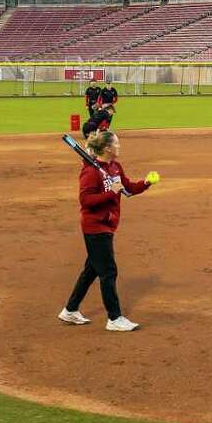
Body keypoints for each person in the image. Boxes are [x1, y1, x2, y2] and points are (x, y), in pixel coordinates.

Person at [60, 128, 156, 331]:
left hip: (108, 224)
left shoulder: (114, 167)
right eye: (116, 143)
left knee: (92, 270)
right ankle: (114, 318)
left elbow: (127, 188)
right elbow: (86, 201)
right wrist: (110, 193)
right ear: (107, 148)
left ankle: (70, 310)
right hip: (96, 227)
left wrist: (146, 183)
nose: (119, 146)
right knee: (108, 271)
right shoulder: (90, 172)